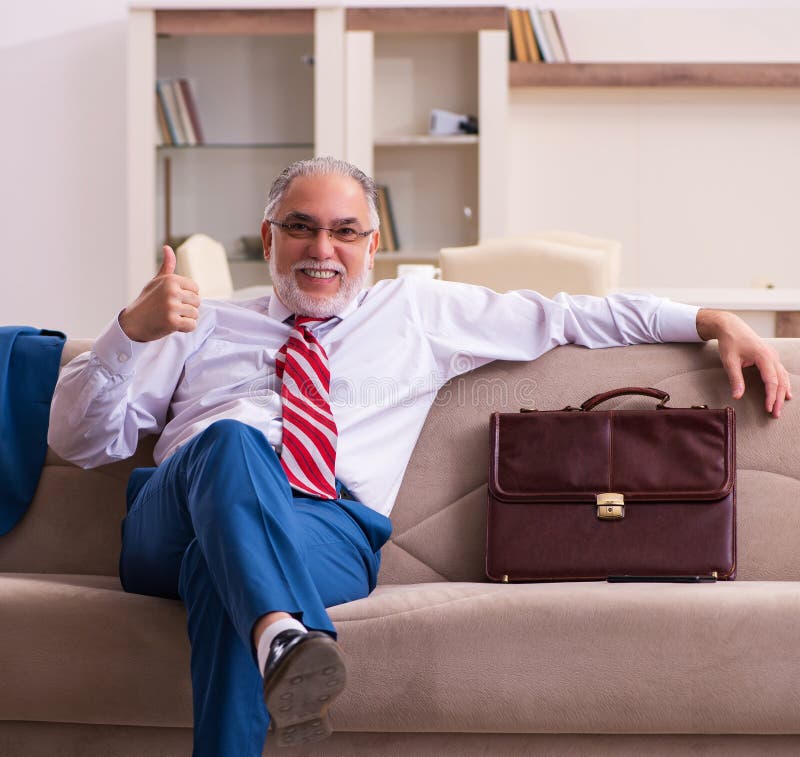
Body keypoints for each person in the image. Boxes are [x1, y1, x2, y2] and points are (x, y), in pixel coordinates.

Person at [48, 156, 791, 756]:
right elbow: (78, 442)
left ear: (374, 245)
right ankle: (286, 630)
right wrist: (127, 333)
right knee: (234, 439)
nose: (321, 249)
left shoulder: (418, 313)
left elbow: (569, 316)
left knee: (223, 572)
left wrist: (709, 317)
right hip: (174, 513)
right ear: (268, 239)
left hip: (327, 526)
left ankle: (276, 637)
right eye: (300, 228)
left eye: (344, 231)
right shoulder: (195, 320)